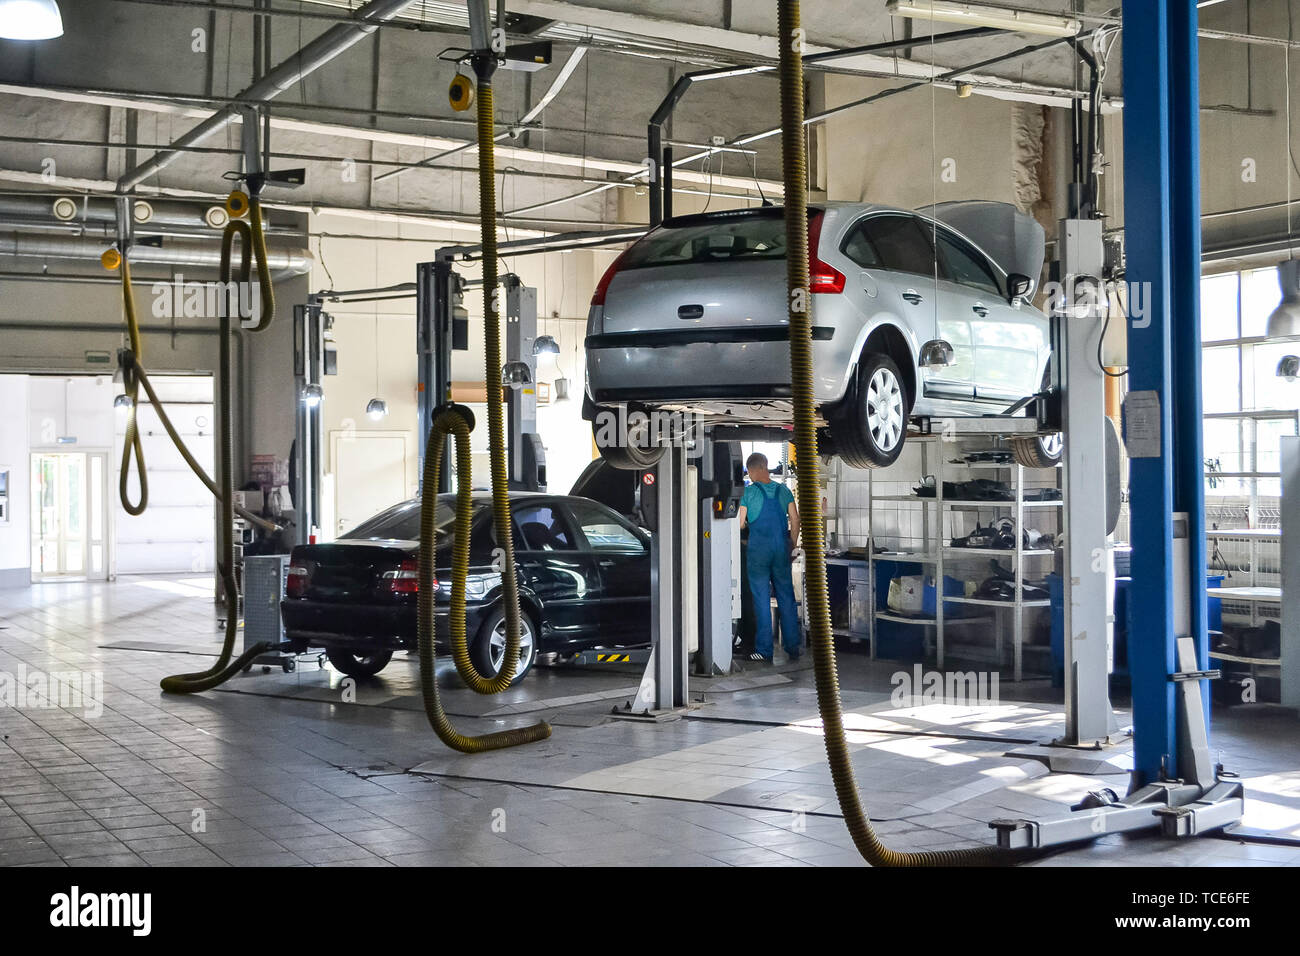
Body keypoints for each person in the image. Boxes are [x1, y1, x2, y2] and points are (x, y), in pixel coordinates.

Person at [737, 452, 802, 663]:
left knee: (761, 599)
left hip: (758, 552)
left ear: (751, 470)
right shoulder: (783, 490)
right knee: (786, 597)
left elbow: (739, 523)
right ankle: (793, 647)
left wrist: (743, 539)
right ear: (766, 466)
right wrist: (791, 545)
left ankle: (764, 650)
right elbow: (795, 519)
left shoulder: (749, 493)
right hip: (781, 549)